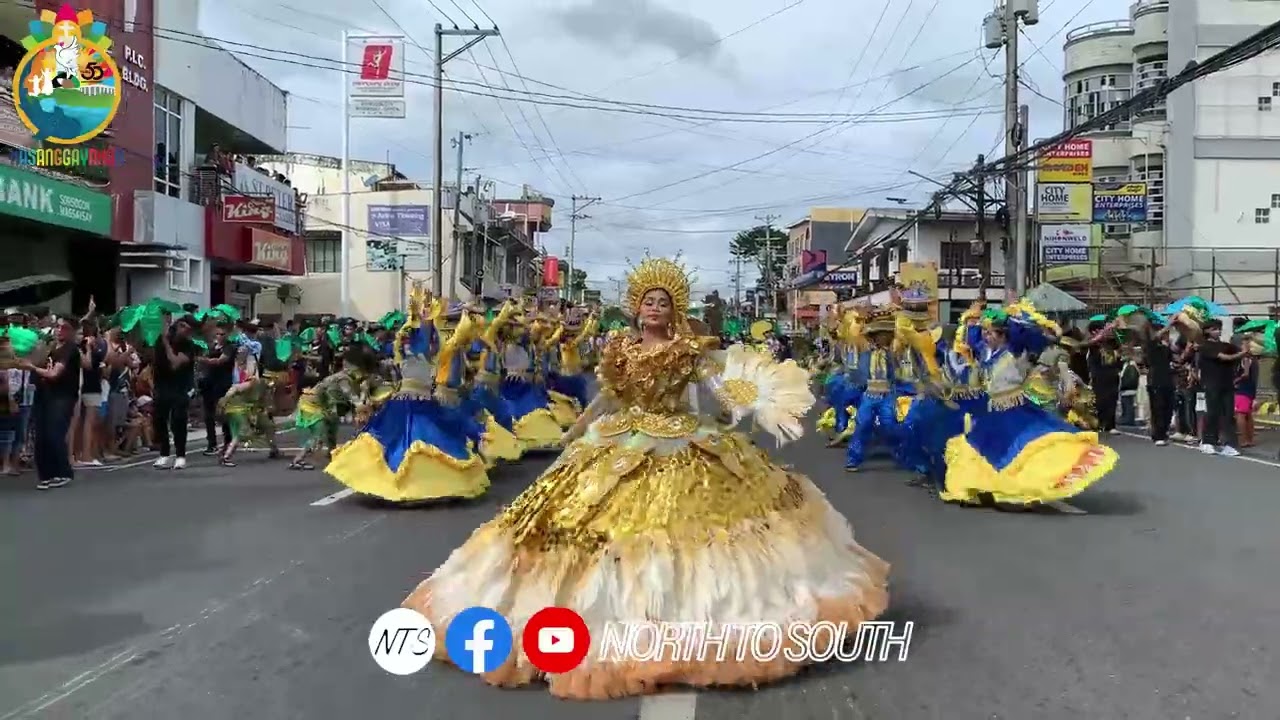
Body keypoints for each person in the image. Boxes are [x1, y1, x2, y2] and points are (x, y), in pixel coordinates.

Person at [402, 256, 888, 698]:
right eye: (648, 302)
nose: (655, 308)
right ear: (636, 309)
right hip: (616, 441)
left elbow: (714, 395)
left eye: (663, 303)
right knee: (574, 525)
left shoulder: (687, 350)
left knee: (690, 531)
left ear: (674, 312)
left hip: (681, 442)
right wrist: (576, 429)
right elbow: (609, 398)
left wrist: (736, 409)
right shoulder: (618, 348)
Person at [21, 317, 79, 489]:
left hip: (62, 396)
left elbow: (54, 374)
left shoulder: (70, 349)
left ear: (72, 331)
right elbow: (36, 361)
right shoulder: (51, 347)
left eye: (65, 328)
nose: (60, 330)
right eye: (58, 327)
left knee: (55, 433)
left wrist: (32, 368)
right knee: (41, 435)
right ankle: (46, 475)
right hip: (44, 394)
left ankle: (63, 472)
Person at [151, 314, 198, 470]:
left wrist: (166, 344)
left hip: (180, 386)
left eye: (188, 329)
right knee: (160, 419)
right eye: (182, 326)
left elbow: (175, 363)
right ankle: (164, 454)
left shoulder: (189, 345)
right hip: (161, 385)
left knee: (178, 420)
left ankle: (180, 455)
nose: (184, 330)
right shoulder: (161, 339)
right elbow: (156, 362)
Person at [1197, 319, 1243, 456]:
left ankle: (1230, 444)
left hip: (1227, 383)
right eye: (1214, 329)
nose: (1217, 331)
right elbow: (1224, 358)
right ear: (1206, 331)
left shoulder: (1226, 345)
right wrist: (1241, 354)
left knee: (1228, 415)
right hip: (1211, 383)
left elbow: (1237, 354)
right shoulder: (1205, 346)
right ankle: (1207, 442)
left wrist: (1247, 345)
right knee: (1212, 413)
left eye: (1219, 328)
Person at [199, 326, 236, 457]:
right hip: (209, 384)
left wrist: (201, 359)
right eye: (217, 334)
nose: (220, 336)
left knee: (223, 414)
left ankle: (228, 441)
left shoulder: (230, 347)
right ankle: (211, 443)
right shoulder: (210, 347)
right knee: (208, 415)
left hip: (223, 384)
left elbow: (221, 361)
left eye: (222, 334)